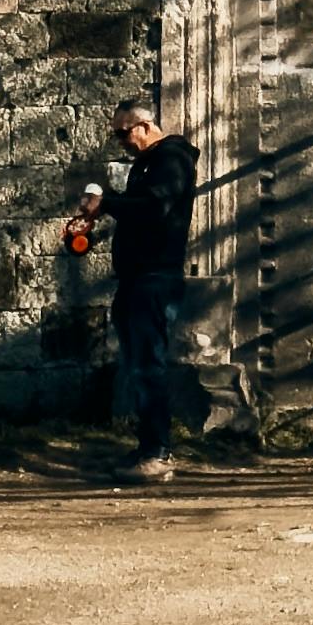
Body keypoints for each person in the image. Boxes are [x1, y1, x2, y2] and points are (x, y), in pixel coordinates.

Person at [102, 106, 200, 470]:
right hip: (137, 278)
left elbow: (154, 208)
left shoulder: (171, 159)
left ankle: (158, 451)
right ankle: (148, 446)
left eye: (123, 133)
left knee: (148, 364)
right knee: (138, 364)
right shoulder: (147, 165)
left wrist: (107, 203)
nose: (121, 142)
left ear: (144, 126)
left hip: (155, 278)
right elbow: (139, 212)